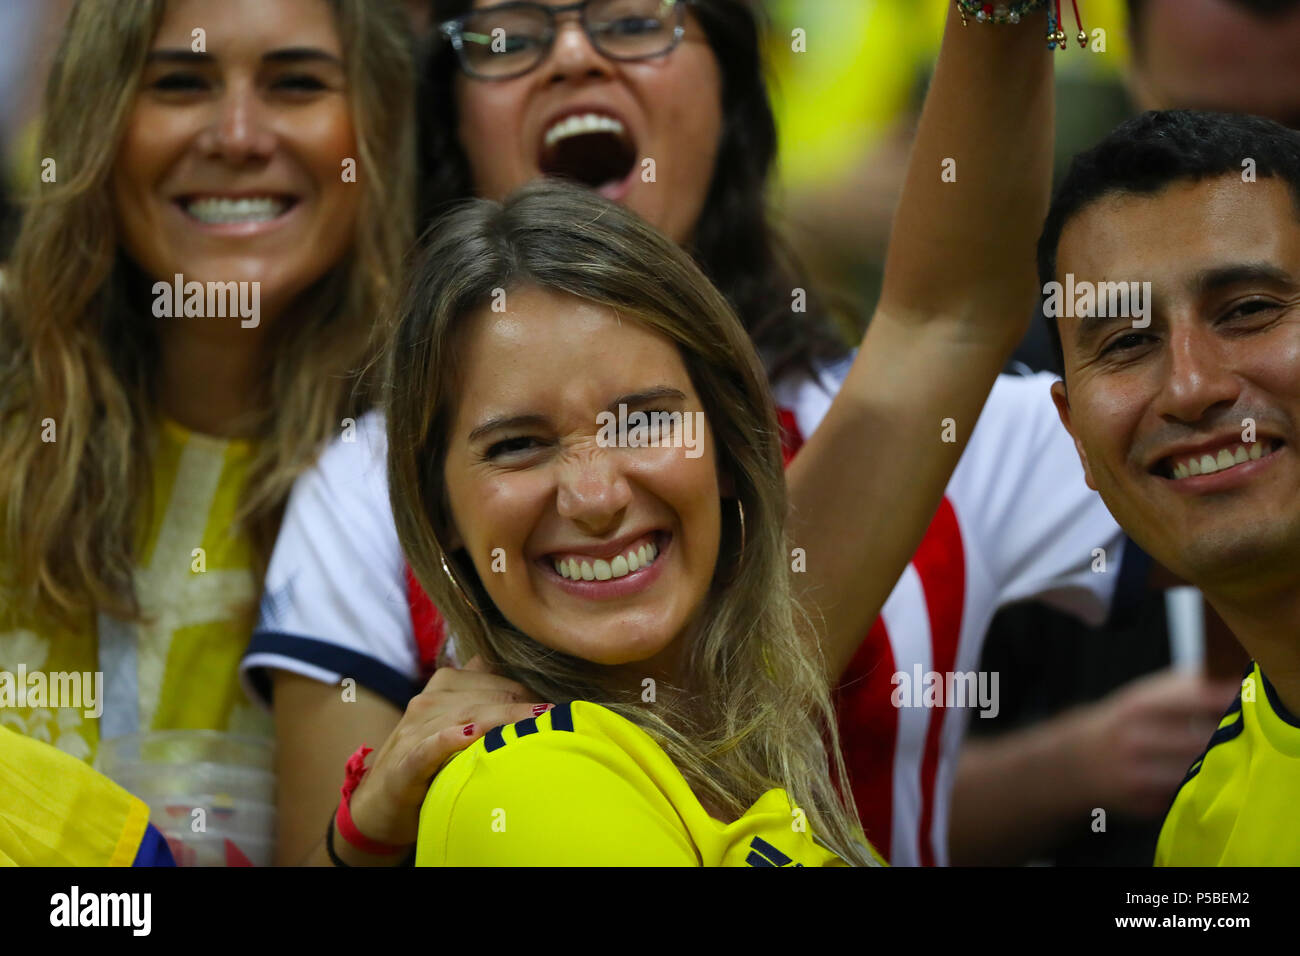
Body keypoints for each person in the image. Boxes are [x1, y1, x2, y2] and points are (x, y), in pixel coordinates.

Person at [245, 0, 1131, 867]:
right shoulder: (367, 499)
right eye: (516, 444)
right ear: (430, 514)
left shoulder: (844, 502)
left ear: (738, 452)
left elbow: (953, 318)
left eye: (634, 22)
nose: (596, 497)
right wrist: (363, 831)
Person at [0, 0, 415, 864]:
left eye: (296, 83)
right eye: (180, 84)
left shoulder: (435, 476)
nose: (236, 135)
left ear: (375, 130)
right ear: (98, 124)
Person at [1042, 108, 1300, 864]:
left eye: (1249, 310)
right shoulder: (1200, 841)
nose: (1190, 386)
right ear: (1075, 436)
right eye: (1126, 343)